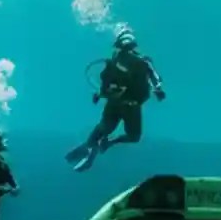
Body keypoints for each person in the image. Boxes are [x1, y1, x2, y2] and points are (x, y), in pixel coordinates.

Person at [65, 25, 166, 172]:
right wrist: (158, 88)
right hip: (129, 106)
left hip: (118, 103)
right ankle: (98, 146)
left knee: (106, 128)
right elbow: (154, 77)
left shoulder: (120, 62)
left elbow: (153, 78)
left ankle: (93, 146)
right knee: (128, 134)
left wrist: (99, 94)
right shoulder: (137, 62)